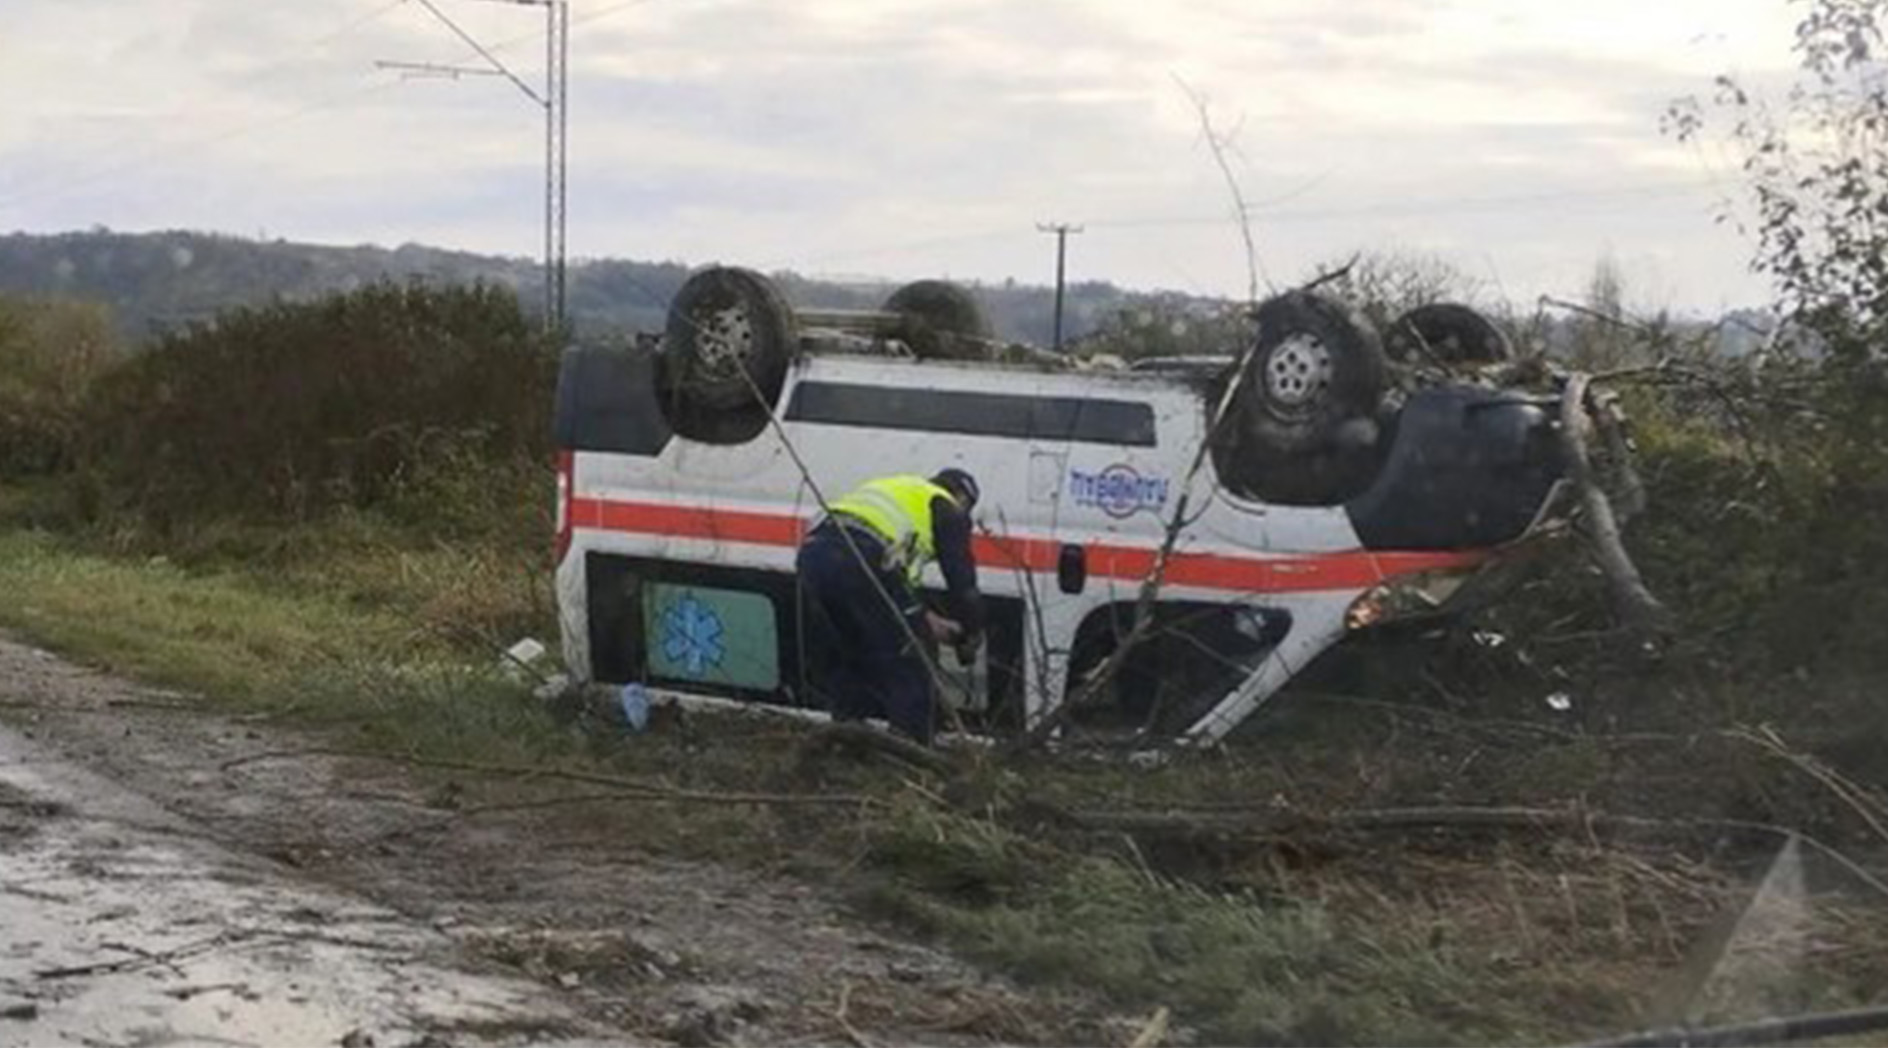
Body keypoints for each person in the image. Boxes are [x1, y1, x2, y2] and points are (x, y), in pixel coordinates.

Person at [796, 468, 983, 745]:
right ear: (961, 497)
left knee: (849, 651)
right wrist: (971, 629)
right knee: (913, 656)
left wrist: (927, 619)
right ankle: (913, 746)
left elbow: (898, 594)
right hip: (863, 556)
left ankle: (847, 737)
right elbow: (962, 581)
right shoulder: (945, 505)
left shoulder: (896, 490)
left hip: (814, 554)